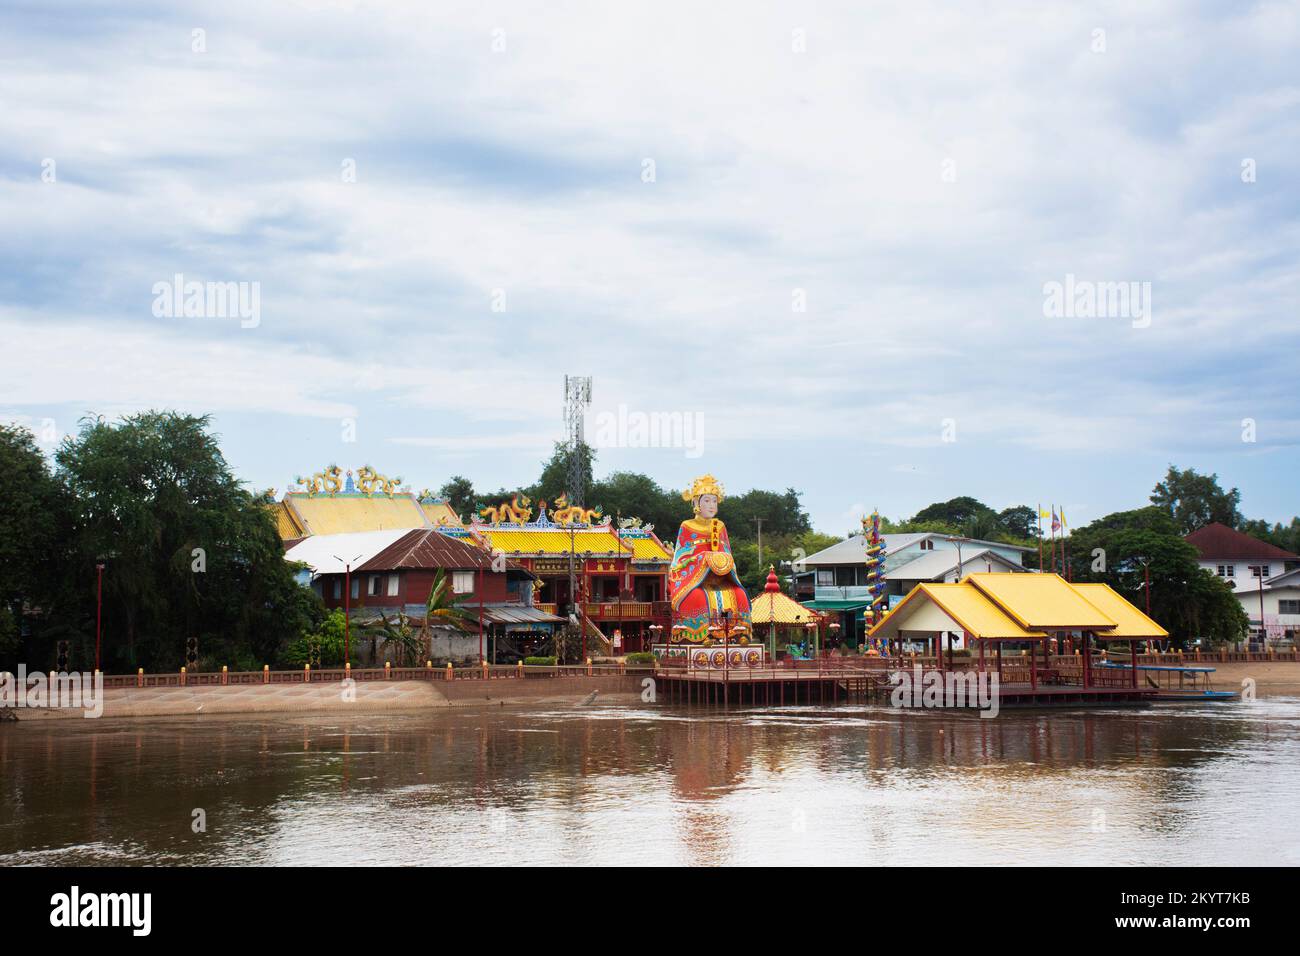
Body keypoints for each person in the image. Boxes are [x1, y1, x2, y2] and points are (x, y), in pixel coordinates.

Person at [668, 474, 752, 643]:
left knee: (740, 594)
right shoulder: (687, 526)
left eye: (714, 501)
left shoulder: (720, 526)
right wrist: (704, 559)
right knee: (697, 596)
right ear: (696, 503)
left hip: (720, 578)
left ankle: (739, 633)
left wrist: (724, 560)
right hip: (694, 580)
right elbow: (680, 559)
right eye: (706, 500)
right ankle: (702, 635)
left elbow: (727, 552)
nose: (711, 505)